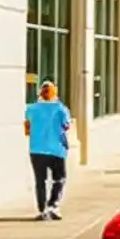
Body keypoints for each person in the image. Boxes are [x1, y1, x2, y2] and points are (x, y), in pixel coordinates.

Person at [24, 80, 72, 220]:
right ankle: (53, 205)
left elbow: (27, 128)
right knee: (60, 178)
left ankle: (42, 209)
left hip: (37, 149)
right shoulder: (61, 109)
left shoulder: (31, 109)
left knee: (40, 180)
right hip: (57, 149)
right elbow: (66, 126)